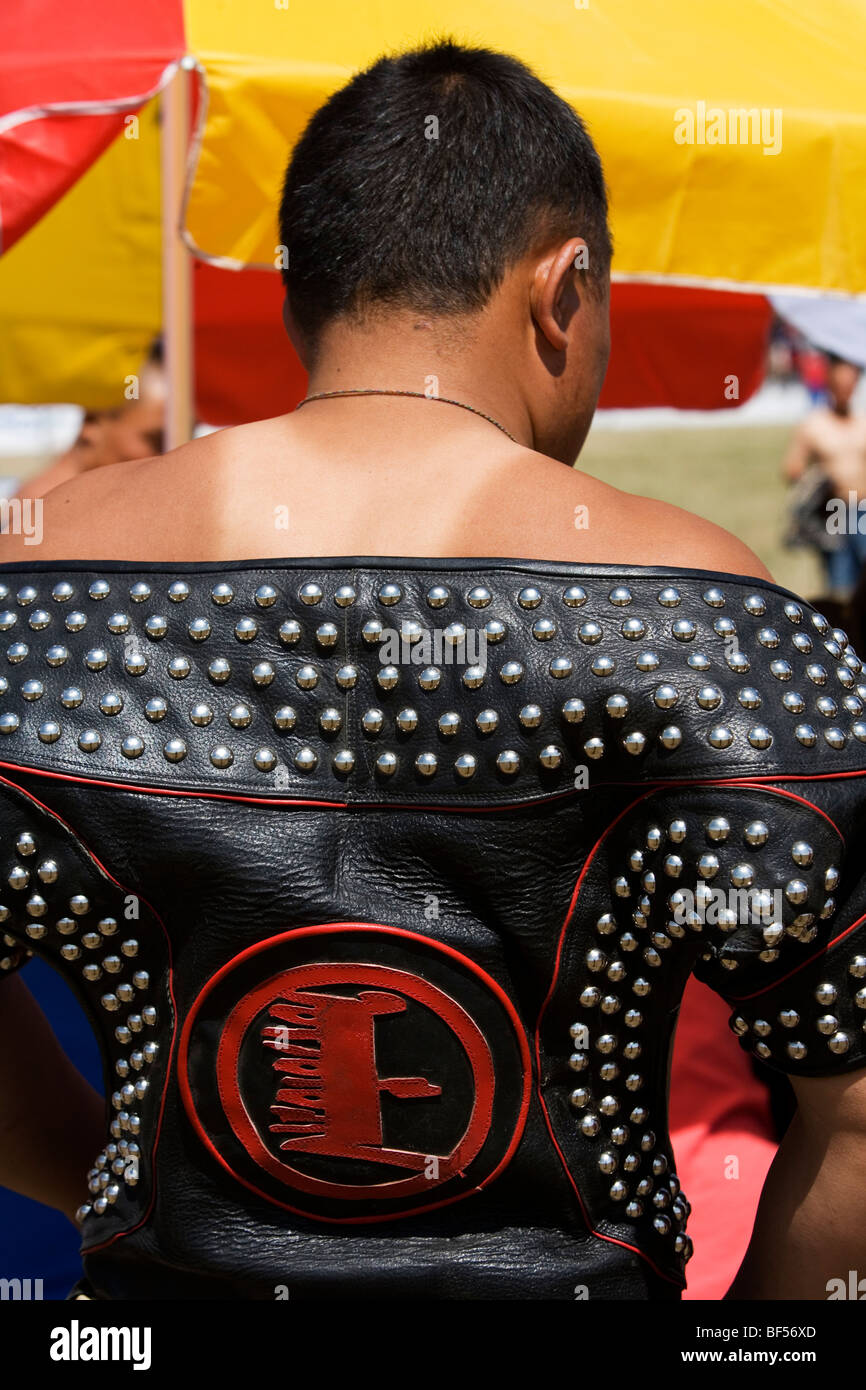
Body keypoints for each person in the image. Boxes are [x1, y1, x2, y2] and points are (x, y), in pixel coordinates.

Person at [1, 39, 865, 1302]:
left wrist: (124, 1181)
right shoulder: (724, 627)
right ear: (562, 290)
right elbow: (852, 1125)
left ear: (301, 294)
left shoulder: (37, 597)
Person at [11, 339, 166, 504]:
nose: (169, 454)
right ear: (93, 422)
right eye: (156, 441)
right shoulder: (44, 508)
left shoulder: (52, 503)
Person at [783, 354, 866, 599]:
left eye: (850, 385)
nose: (845, 391)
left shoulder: (863, 422)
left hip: (864, 508)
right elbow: (792, 468)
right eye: (840, 385)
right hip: (835, 511)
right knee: (840, 583)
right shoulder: (814, 425)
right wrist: (818, 479)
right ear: (829, 383)